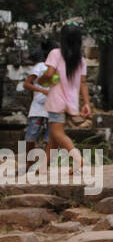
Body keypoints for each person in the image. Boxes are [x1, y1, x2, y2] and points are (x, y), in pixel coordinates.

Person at [37, 24, 91, 168]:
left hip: (57, 100)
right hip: (71, 102)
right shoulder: (81, 60)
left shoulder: (55, 53)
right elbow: (83, 83)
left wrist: (40, 80)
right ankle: (43, 166)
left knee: (57, 133)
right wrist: (86, 103)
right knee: (54, 136)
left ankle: (79, 160)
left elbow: (48, 74)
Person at [21, 39, 56, 156]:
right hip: (38, 107)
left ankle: (44, 164)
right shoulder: (40, 66)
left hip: (52, 107)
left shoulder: (58, 68)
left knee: (50, 137)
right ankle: (28, 162)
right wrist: (42, 90)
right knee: (31, 135)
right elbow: (26, 84)